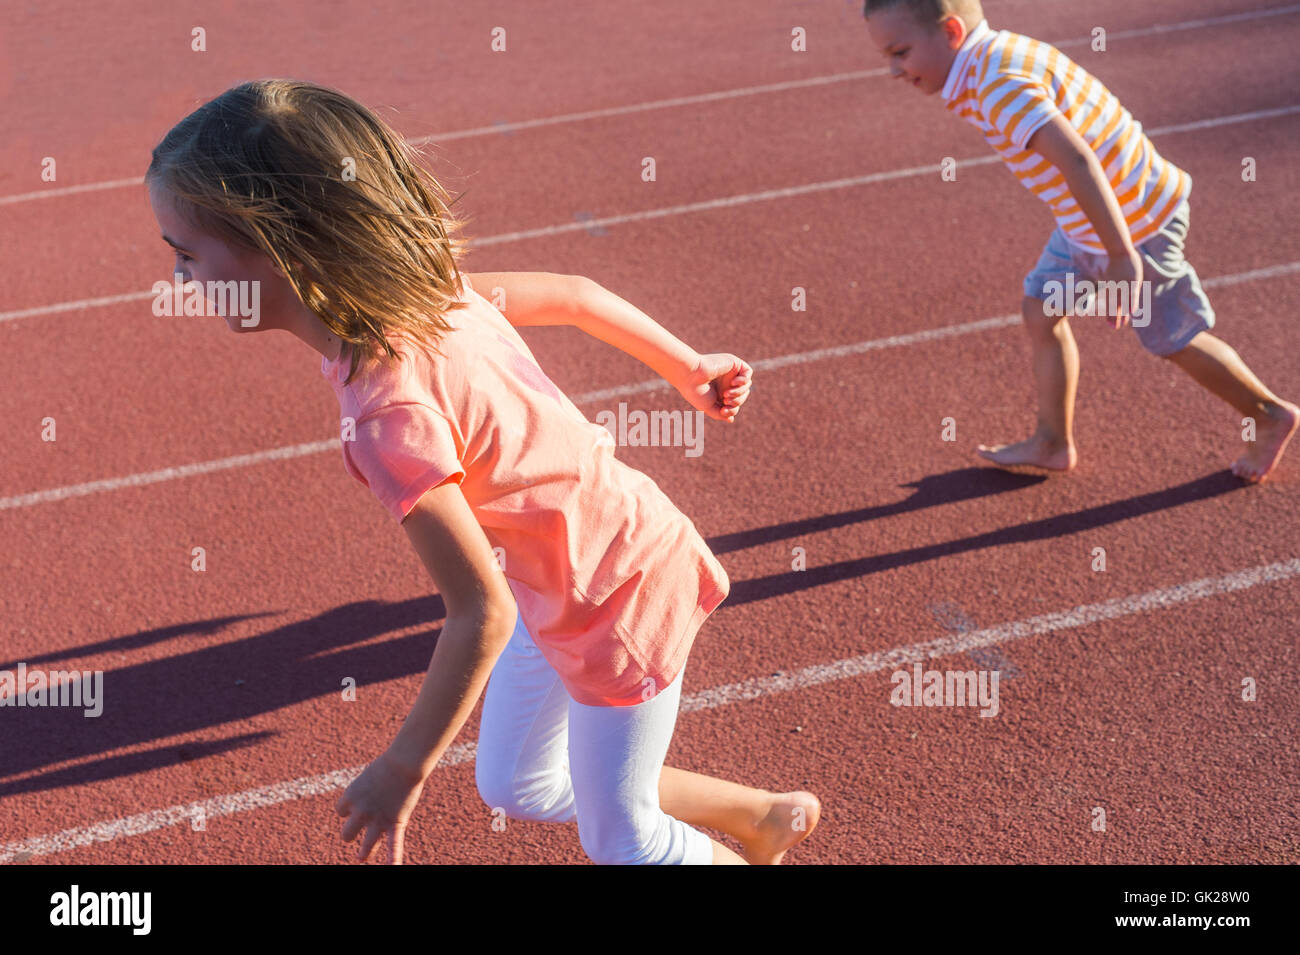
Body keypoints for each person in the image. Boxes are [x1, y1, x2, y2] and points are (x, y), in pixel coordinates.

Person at [145, 79, 820, 865]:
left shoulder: (386, 419)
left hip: (616, 590)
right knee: (519, 785)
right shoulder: (432, 296)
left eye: (188, 255)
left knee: (623, 838)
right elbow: (577, 295)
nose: (180, 278)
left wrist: (404, 766)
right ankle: (759, 817)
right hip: (563, 575)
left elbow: (479, 612)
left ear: (285, 247)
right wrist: (687, 365)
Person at [861, 0, 1297, 480]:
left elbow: (1078, 162)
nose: (893, 70)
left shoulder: (997, 85)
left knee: (1172, 337)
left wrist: (1119, 256)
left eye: (900, 52)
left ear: (951, 32)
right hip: (1089, 222)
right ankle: (1052, 441)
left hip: (1133, 223)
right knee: (1042, 308)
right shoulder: (995, 56)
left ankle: (1267, 414)